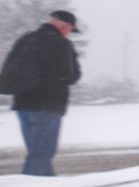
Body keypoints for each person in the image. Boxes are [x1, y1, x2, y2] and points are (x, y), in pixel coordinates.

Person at [2, 10, 82, 176]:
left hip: (23, 105)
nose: (69, 34)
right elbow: (71, 76)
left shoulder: (26, 39)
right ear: (65, 26)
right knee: (40, 156)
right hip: (47, 106)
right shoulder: (61, 44)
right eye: (70, 30)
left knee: (37, 153)